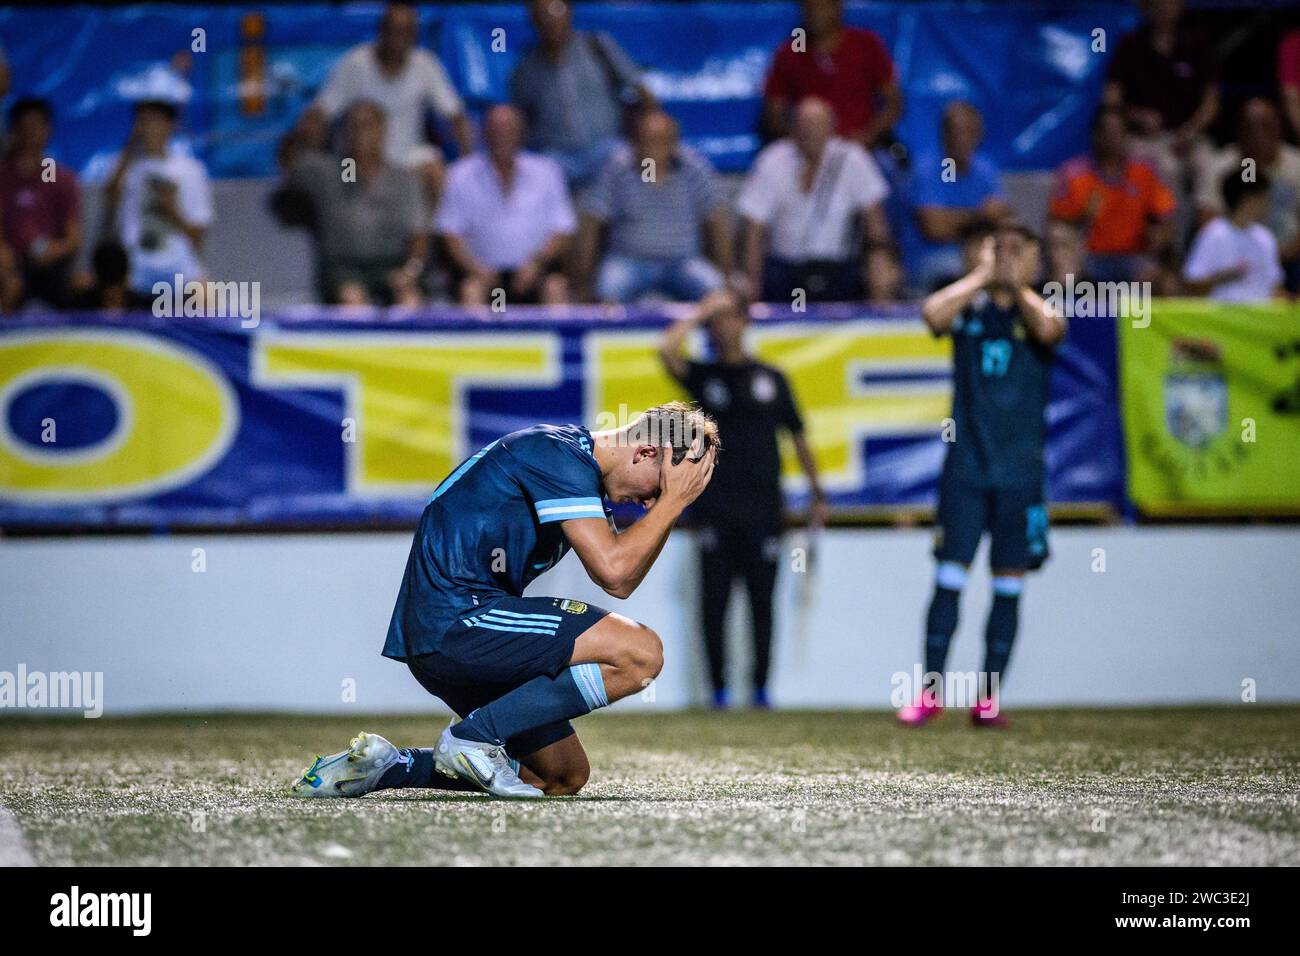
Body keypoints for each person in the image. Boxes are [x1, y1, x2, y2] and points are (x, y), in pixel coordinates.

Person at [291, 403, 718, 798]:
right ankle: (472, 738)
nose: (649, 506)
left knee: (560, 775)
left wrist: (671, 502)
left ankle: (390, 766)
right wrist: (675, 503)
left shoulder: (577, 474)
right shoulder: (557, 453)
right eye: (657, 490)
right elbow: (615, 571)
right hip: (458, 621)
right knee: (641, 653)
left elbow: (621, 581)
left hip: (454, 632)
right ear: (645, 451)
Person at [899, 220, 1066, 728]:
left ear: (1035, 258)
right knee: (949, 577)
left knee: (1008, 586)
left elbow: (1051, 329)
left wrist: (1015, 285)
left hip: (1021, 476)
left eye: (1019, 250)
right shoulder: (968, 310)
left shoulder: (1039, 310)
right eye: (1001, 249)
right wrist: (981, 277)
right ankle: (929, 693)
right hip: (966, 471)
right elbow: (931, 315)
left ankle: (988, 698)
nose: (1008, 259)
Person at [659, 291, 825, 709]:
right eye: (718, 320)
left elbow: (798, 436)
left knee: (761, 605)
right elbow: (666, 350)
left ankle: (760, 691)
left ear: (746, 323)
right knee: (713, 605)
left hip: (765, 511)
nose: (724, 326)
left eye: (731, 317)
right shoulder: (702, 377)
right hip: (713, 511)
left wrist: (816, 491)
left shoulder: (772, 377)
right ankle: (717, 692)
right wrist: (699, 311)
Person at [737, 97, 891, 303]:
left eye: (817, 125)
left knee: (880, 271)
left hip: (838, 271)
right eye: (804, 125)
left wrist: (880, 261)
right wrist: (751, 283)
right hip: (785, 271)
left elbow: (876, 223)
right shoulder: (771, 160)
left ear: (831, 128)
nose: (809, 132)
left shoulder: (852, 159)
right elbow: (753, 229)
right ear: (792, 127)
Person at [277, 101, 427, 306]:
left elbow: (418, 235)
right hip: (344, 268)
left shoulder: (402, 178)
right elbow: (289, 164)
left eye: (368, 125)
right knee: (353, 299)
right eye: (354, 127)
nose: (361, 133)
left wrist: (410, 271)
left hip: (391, 265)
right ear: (343, 133)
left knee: (410, 301)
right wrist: (304, 134)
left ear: (383, 132)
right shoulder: (331, 172)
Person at [576, 110, 731, 303]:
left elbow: (716, 218)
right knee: (608, 291)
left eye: (661, 140)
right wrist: (583, 279)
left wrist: (726, 273)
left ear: (674, 143)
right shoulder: (618, 168)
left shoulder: (694, 168)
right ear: (635, 142)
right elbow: (593, 219)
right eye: (648, 140)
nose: (654, 148)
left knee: (718, 293)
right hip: (630, 261)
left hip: (683, 261)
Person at [297, 2, 472, 167]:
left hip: (407, 157)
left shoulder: (426, 64)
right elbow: (322, 110)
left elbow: (454, 114)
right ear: (381, 30)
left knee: (432, 170)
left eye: (405, 32)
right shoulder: (355, 63)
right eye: (392, 30)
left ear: (415, 35)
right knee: (345, 178)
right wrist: (308, 139)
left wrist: (467, 160)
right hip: (355, 157)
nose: (397, 38)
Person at [437, 105, 576, 307]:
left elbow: (562, 230)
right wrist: (476, 269)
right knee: (471, 292)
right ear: (484, 133)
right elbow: (450, 232)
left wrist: (536, 264)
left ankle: (557, 339)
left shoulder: (546, 172)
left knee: (556, 287)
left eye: (508, 130)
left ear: (521, 132)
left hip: (532, 276)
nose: (501, 137)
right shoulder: (461, 175)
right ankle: (482, 338)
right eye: (495, 130)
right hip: (490, 283)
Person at [510, 0, 655, 191]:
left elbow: (641, 91)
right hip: (557, 157)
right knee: (538, 173)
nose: (550, 20)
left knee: (630, 162)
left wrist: (652, 134)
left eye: (556, 11)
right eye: (542, 14)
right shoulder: (526, 66)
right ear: (533, 21)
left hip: (606, 147)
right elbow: (519, 118)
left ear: (569, 12)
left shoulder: (597, 45)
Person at [1048, 106, 1175, 285]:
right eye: (1106, 132)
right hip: (1089, 257)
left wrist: (1158, 238)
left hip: (1134, 256)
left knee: (1164, 281)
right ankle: (1061, 310)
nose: (1112, 138)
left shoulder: (1145, 172)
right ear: (1095, 135)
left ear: (1126, 136)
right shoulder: (1074, 175)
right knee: (1064, 260)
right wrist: (1083, 217)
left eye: (1118, 132)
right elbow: (1056, 223)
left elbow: (1165, 216)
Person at [104, 100, 213, 296]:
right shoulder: (125, 166)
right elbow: (110, 200)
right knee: (108, 290)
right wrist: (129, 149)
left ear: (171, 125)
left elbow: (198, 234)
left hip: (177, 264)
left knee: (206, 294)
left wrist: (171, 209)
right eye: (142, 122)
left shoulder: (191, 169)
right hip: (134, 263)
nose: (148, 128)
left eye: (155, 121)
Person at [762, 0, 902, 149]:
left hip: (860, 146)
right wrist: (800, 141)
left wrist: (869, 135)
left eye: (821, 6)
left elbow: (894, 103)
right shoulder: (793, 50)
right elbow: (774, 113)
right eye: (809, 7)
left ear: (837, 7)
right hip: (806, 148)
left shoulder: (865, 43)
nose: (815, 13)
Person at [1193, 99, 1300, 290]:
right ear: (1239, 132)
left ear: (1280, 129)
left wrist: (1279, 252)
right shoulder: (1224, 165)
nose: (1258, 135)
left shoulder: (1295, 164)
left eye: (1265, 127)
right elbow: (1206, 218)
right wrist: (1249, 163)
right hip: (1236, 258)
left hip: (1290, 254)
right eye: (1250, 128)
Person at [903, 101, 1009, 293]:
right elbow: (936, 228)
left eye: (969, 131)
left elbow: (1002, 217)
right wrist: (980, 214)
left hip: (977, 251)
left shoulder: (985, 169)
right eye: (956, 132)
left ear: (979, 135)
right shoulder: (932, 170)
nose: (962, 139)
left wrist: (957, 219)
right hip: (933, 258)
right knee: (959, 265)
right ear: (944, 135)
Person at [0, 98, 82, 308]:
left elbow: (73, 239)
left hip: (52, 265)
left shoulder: (56, 175)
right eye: (24, 126)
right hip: (11, 265)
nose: (30, 132)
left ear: (48, 130)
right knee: (10, 283)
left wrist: (55, 250)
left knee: (80, 285)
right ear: (13, 130)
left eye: (37, 126)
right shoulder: (3, 174)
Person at [1183, 173, 1283, 303]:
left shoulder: (1266, 238)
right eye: (1263, 198)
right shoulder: (1213, 234)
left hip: (1260, 319)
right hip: (1224, 318)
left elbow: (1275, 285)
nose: (1268, 205)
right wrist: (1224, 277)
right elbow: (1191, 283)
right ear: (1247, 200)